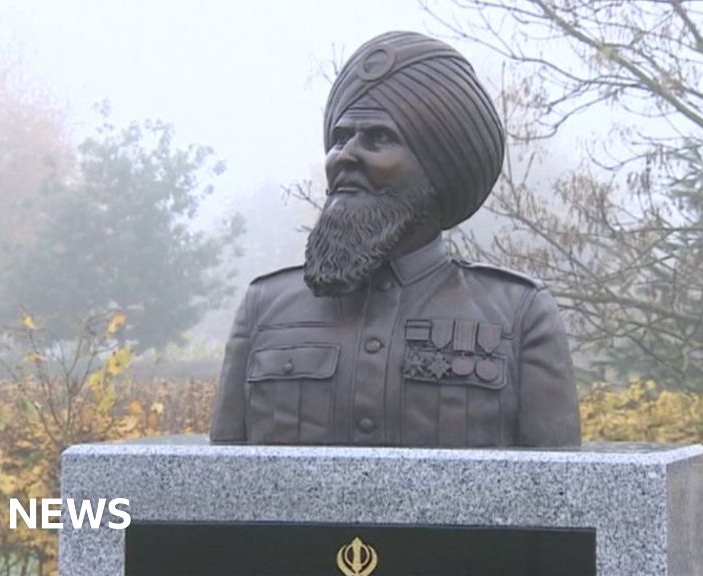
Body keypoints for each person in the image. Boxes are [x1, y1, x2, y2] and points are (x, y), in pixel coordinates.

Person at [209, 31, 580, 447]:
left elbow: (558, 498)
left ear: (438, 169)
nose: (345, 155)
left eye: (378, 139)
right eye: (339, 138)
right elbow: (220, 488)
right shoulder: (265, 307)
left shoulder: (518, 314)